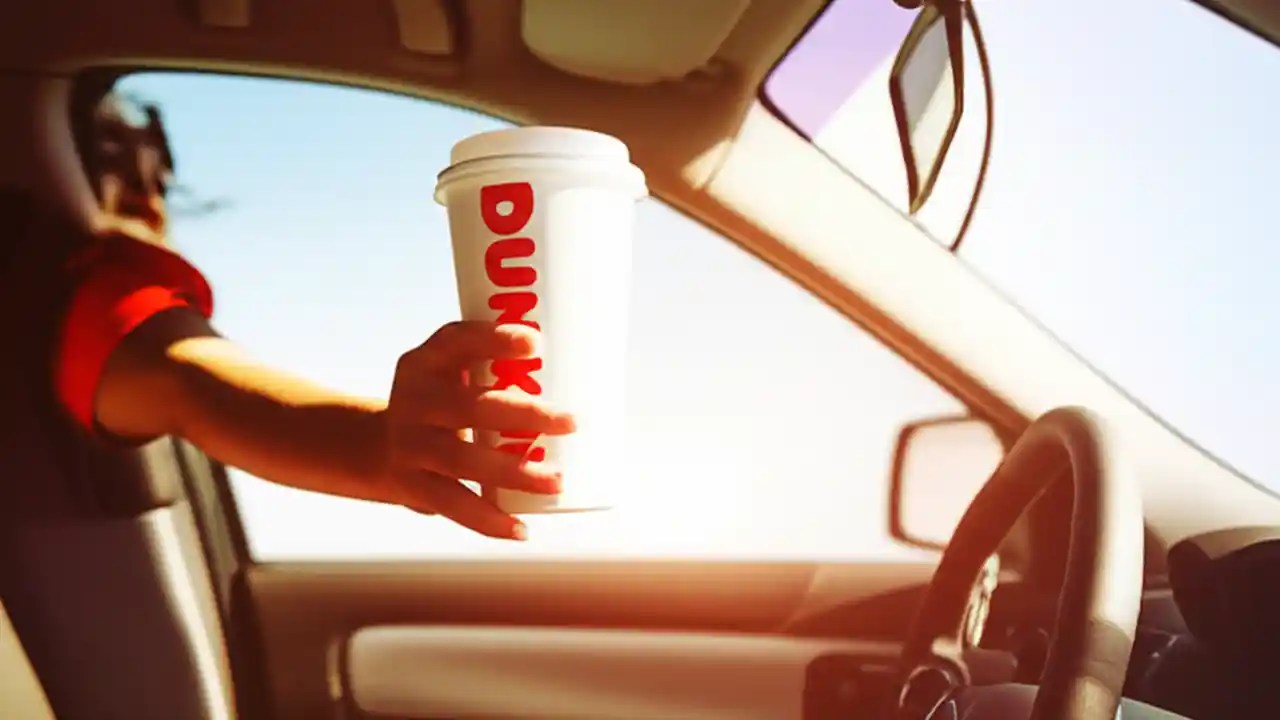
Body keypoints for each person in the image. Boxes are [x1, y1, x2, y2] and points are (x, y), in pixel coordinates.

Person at [52, 91, 574, 541]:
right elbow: (187, 384)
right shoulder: (101, 287)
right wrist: (380, 445)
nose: (161, 217)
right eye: (156, 189)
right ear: (133, 197)